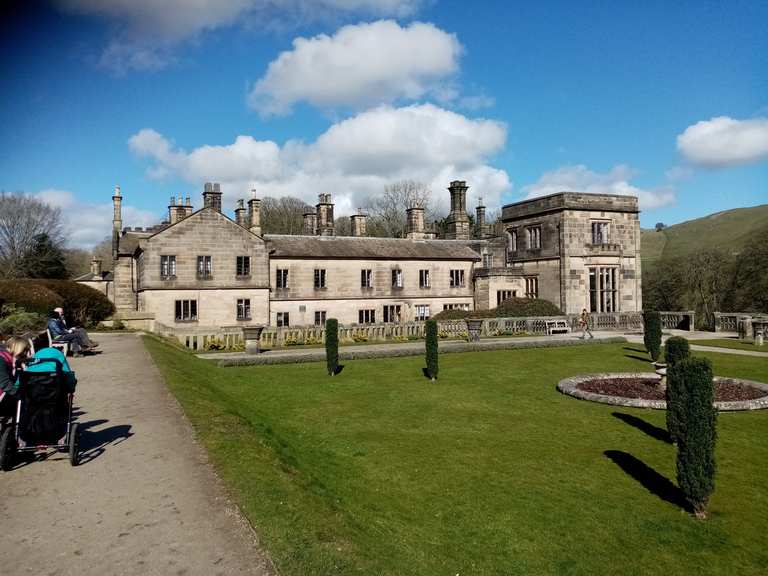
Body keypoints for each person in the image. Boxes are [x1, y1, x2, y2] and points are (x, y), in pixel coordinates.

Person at [0, 336, 32, 418]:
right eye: (23, 352)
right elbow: (5, 383)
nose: (26, 354)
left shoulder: (7, 358)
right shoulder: (2, 360)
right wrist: (22, 394)